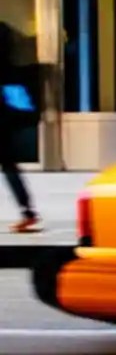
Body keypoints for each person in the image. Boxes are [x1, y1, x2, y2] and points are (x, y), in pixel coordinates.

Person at [0, 24, 40, 233]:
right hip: (5, 117)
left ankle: (27, 212)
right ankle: (27, 212)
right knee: (8, 165)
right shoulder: (5, 33)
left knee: (8, 165)